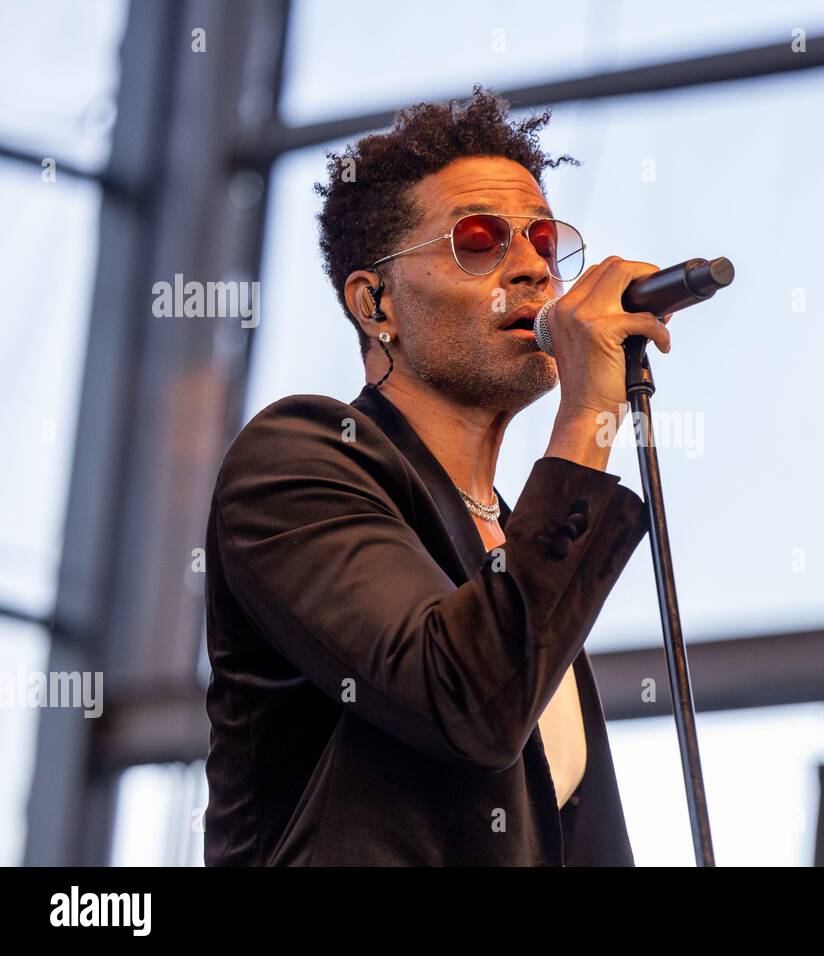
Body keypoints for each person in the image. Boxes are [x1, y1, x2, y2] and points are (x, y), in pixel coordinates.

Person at [202, 85, 672, 866]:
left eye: (544, 242)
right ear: (374, 301)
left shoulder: (518, 542)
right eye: (480, 241)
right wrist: (590, 410)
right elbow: (468, 700)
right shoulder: (297, 458)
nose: (532, 270)